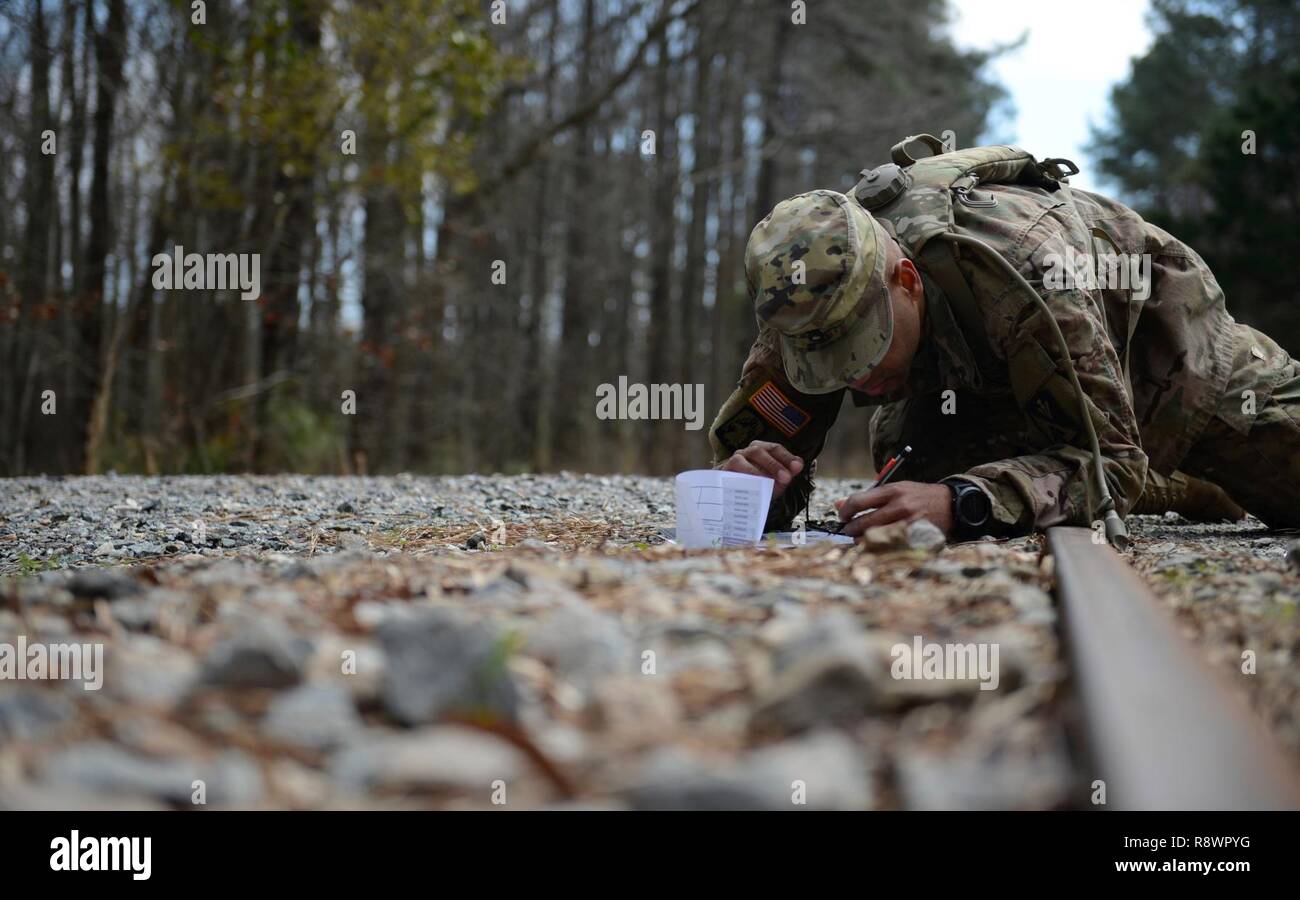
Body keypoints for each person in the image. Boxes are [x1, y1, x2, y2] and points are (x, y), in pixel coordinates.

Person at [708, 162, 1297, 541]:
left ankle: (1186, 472)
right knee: (911, 479)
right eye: (831, 366)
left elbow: (1112, 461)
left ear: (906, 282)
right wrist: (753, 487)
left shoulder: (1026, 270)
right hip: (994, 379)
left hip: (1169, 367)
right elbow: (755, 452)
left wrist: (962, 501)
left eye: (866, 352)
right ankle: (1179, 486)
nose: (857, 385)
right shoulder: (805, 292)